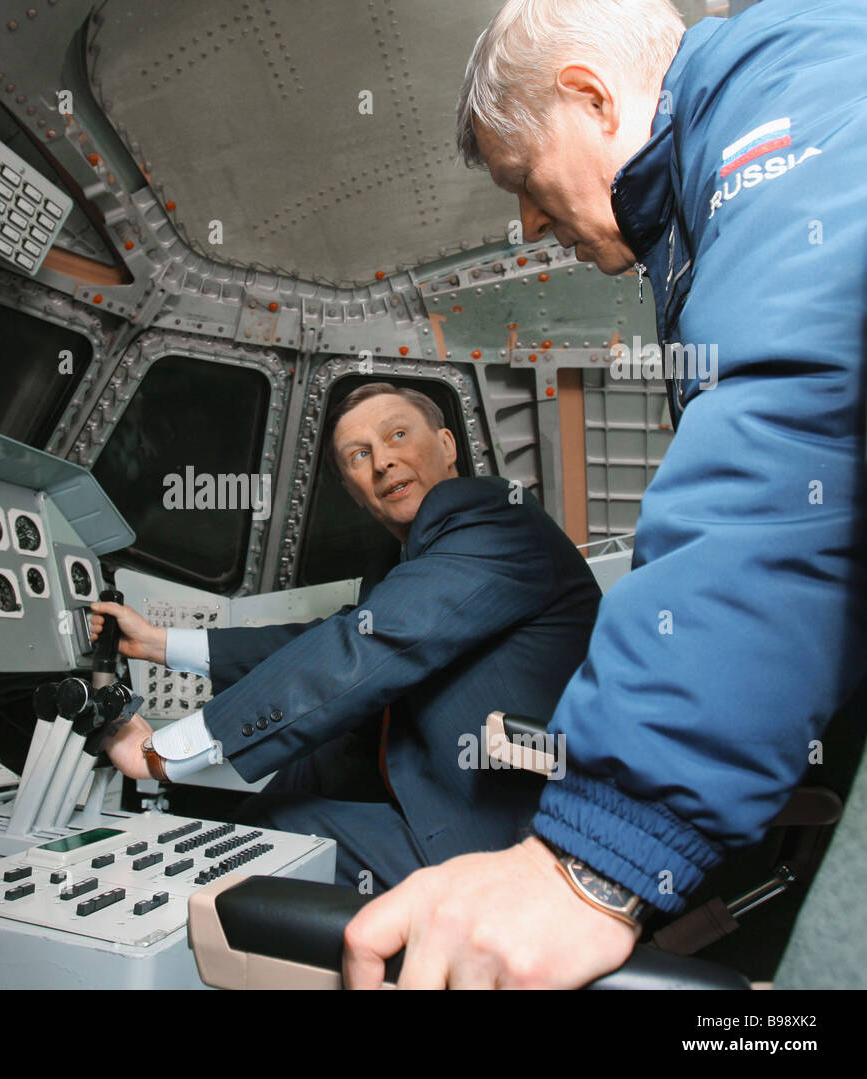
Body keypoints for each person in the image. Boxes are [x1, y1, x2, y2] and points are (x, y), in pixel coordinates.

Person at [343, 0, 867, 988]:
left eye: (524, 184)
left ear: (587, 96)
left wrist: (597, 854)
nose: (530, 225)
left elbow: (800, 426)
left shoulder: (799, 97)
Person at [93, 383, 601, 889]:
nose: (383, 462)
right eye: (361, 455)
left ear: (447, 445)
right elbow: (328, 639)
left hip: (513, 834)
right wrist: (159, 643)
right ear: (355, 491)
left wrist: (160, 754)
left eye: (398, 434)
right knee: (295, 782)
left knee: (265, 838)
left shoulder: (495, 520)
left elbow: (367, 648)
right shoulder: (402, 562)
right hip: (440, 789)